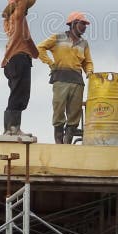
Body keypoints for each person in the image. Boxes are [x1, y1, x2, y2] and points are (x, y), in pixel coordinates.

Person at [37, 11, 94, 144]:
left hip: (77, 81)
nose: (85, 26)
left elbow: (88, 62)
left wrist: (90, 72)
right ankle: (59, 143)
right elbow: (40, 48)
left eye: (85, 24)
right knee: (58, 110)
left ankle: (67, 141)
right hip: (60, 79)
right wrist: (51, 63)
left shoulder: (84, 43)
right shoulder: (58, 38)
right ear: (73, 24)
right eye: (82, 24)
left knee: (75, 113)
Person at [0, 0, 39, 136]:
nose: (26, 9)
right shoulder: (17, 16)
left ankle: (11, 128)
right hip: (18, 59)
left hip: (14, 60)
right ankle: (12, 128)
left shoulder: (13, 22)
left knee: (18, 93)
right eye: (24, 7)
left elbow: (27, 40)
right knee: (19, 94)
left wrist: (35, 54)